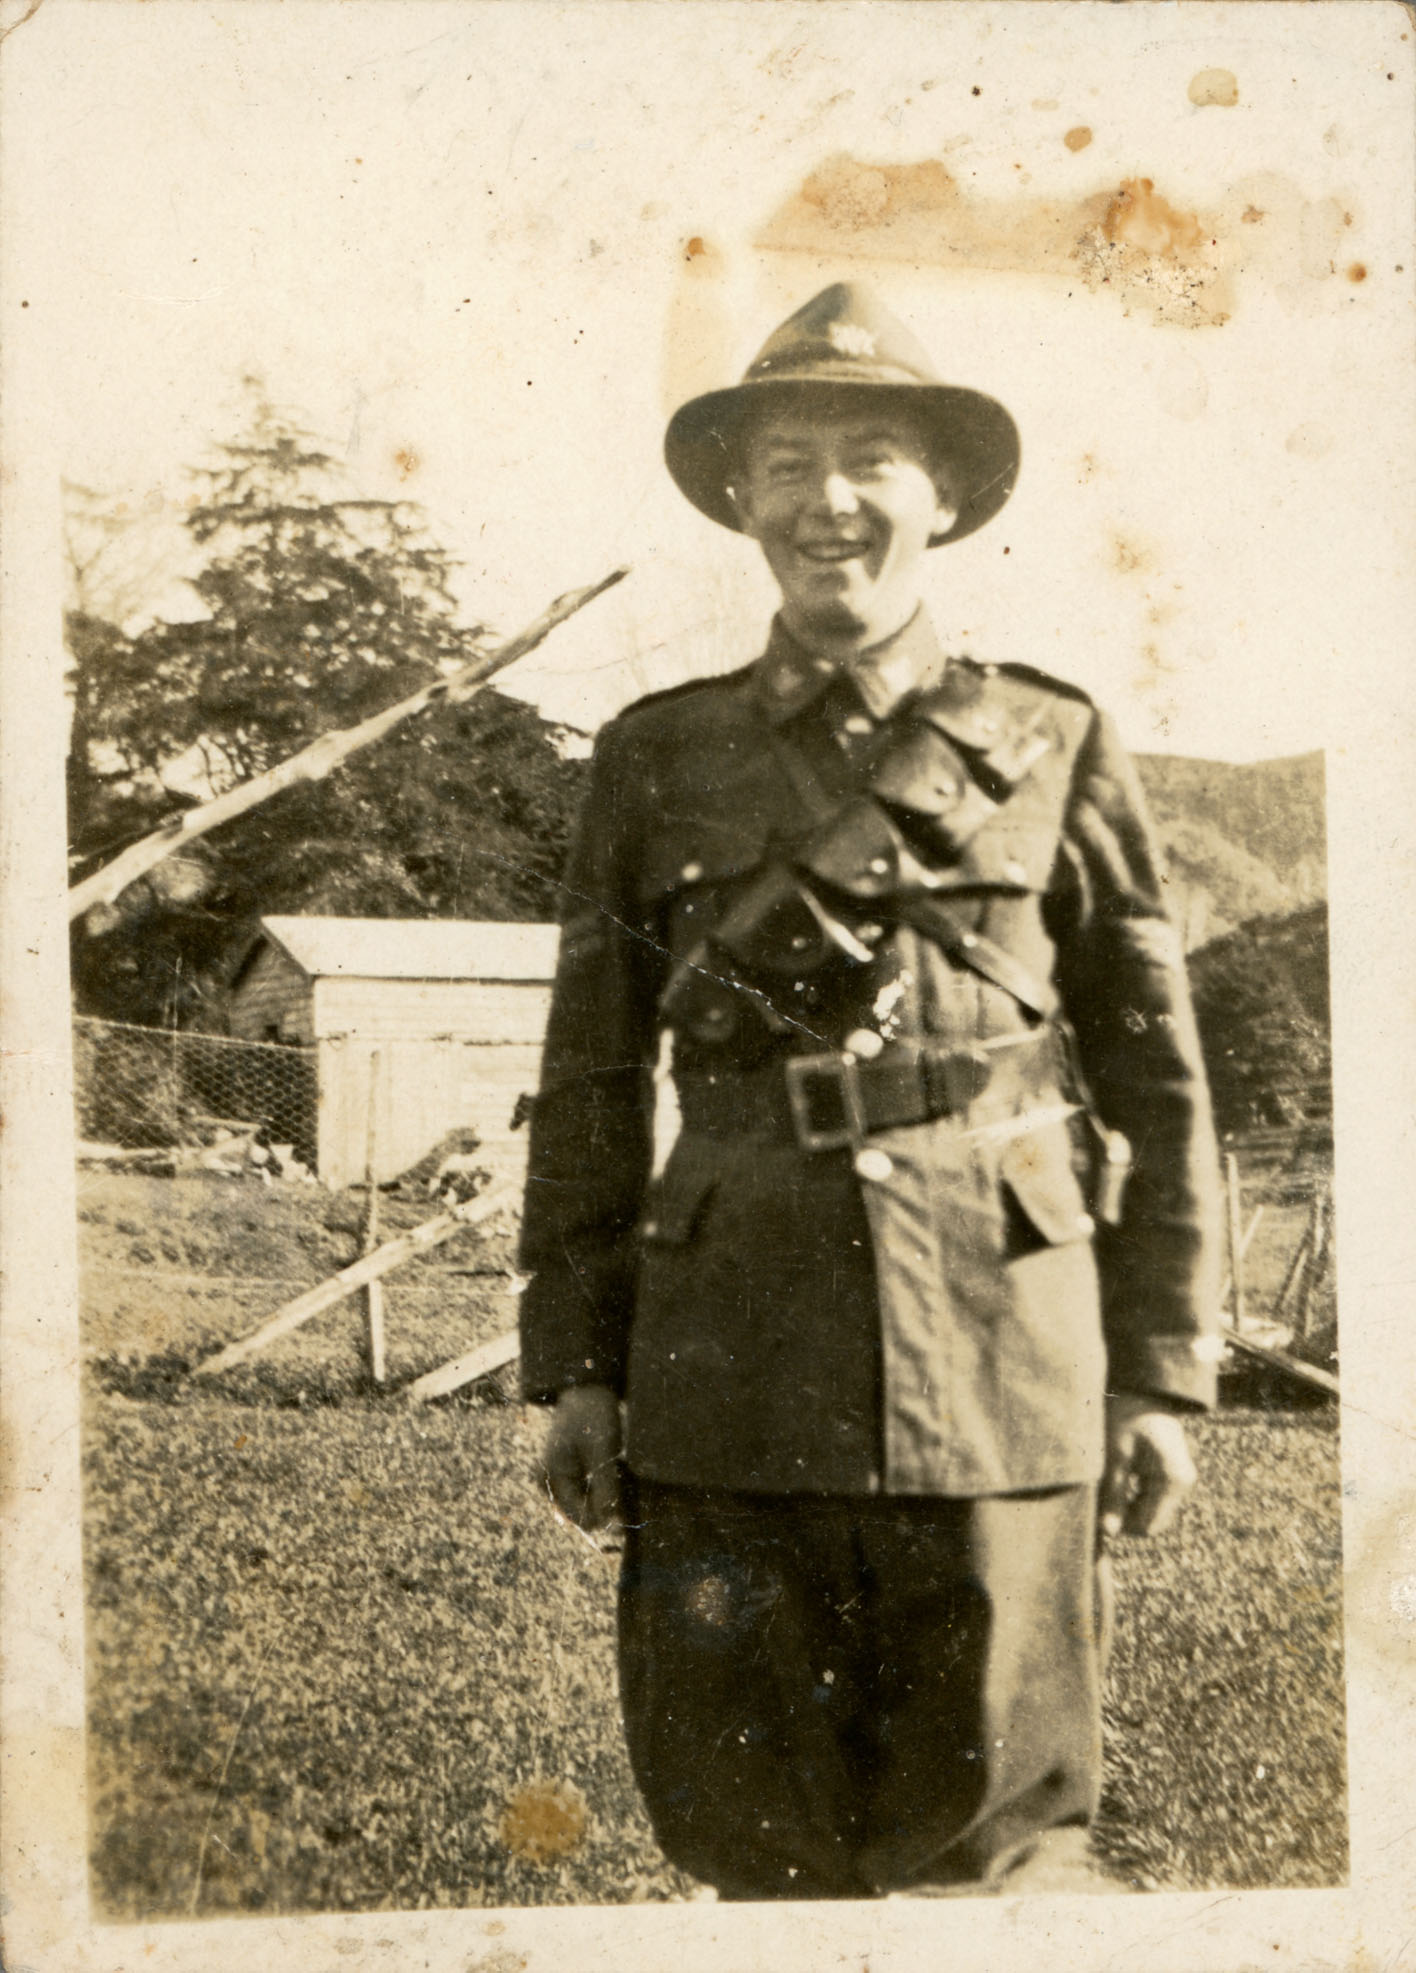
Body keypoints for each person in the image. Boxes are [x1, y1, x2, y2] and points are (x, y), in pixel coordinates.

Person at [518, 282, 1221, 1900]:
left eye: (873, 457)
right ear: (741, 498)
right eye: (787, 462)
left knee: (998, 1846)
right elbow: (593, 1076)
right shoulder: (654, 756)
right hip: (727, 1368)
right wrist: (578, 1364)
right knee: (749, 1833)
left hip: (1001, 1361)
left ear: (946, 494)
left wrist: (1160, 1372)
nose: (827, 499)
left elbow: (1158, 1080)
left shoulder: (1050, 740)